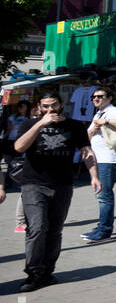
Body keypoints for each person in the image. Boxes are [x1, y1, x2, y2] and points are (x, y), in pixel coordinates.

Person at [12, 93, 99, 292]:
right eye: (46, 106)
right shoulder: (29, 124)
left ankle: (47, 272)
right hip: (33, 183)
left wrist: (94, 175)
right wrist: (39, 125)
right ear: (39, 107)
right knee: (37, 227)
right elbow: (18, 147)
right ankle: (33, 273)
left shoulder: (75, 126)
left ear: (61, 105)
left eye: (54, 105)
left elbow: (86, 151)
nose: (50, 110)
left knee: (54, 230)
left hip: (63, 184)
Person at [82, 87, 116, 242]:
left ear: (109, 98)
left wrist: (107, 122)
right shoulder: (98, 113)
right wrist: (94, 129)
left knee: (104, 195)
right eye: (94, 97)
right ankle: (102, 226)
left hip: (108, 159)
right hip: (99, 158)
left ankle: (104, 230)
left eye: (100, 96)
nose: (96, 99)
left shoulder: (113, 111)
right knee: (101, 195)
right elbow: (88, 135)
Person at [3, 100, 31, 232]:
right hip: (11, 143)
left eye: (23, 106)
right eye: (19, 106)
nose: (20, 108)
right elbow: (8, 129)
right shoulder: (12, 117)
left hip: (25, 145)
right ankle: (20, 222)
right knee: (12, 166)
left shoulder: (29, 119)